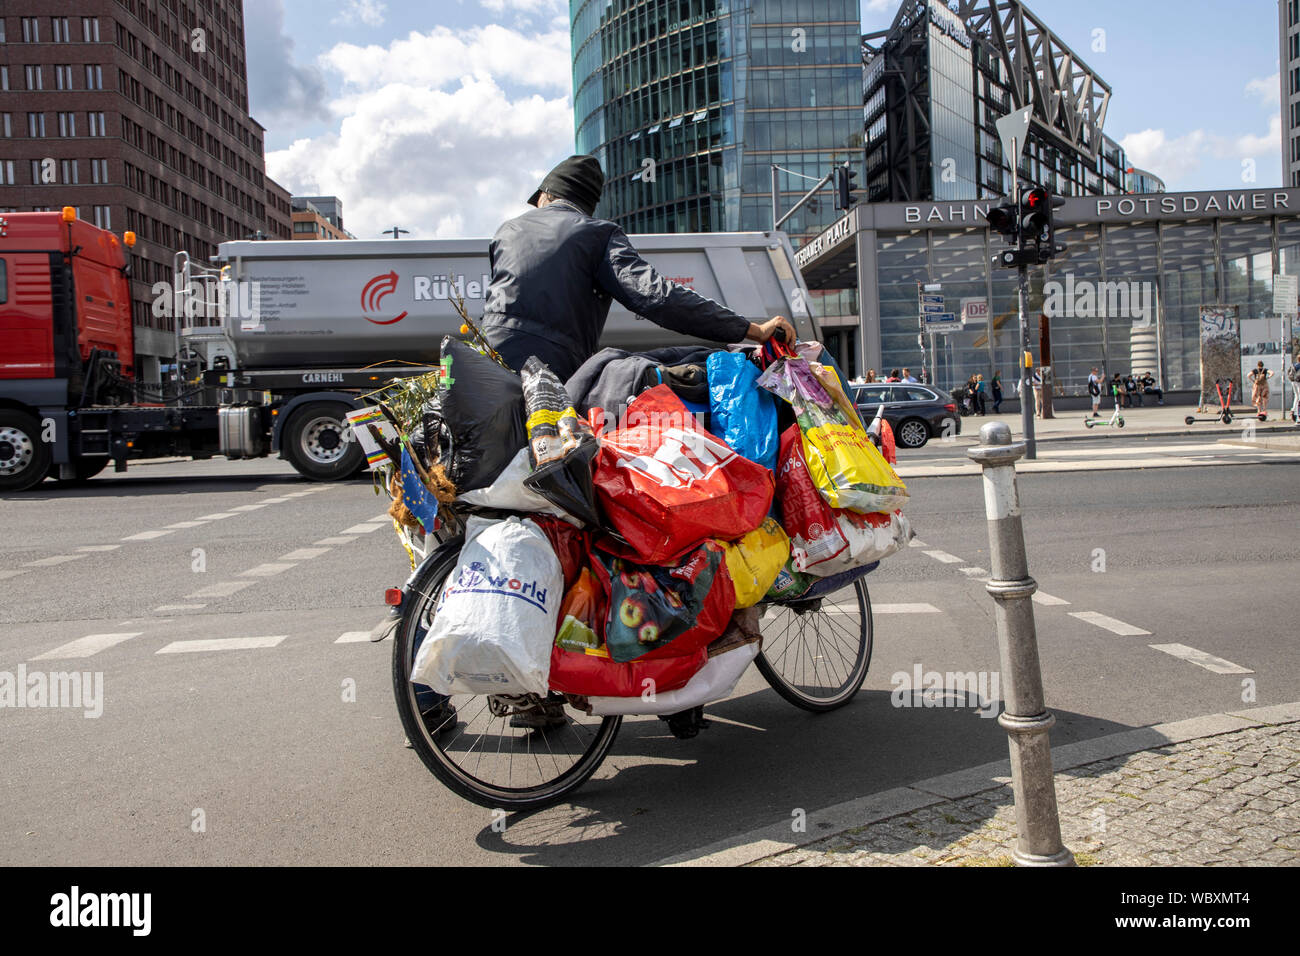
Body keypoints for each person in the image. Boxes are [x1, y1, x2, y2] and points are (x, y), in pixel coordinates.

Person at [480, 155, 795, 382]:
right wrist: (751, 330)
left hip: (489, 364)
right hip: (552, 374)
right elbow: (657, 297)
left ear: (547, 195)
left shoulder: (506, 231)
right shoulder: (596, 233)